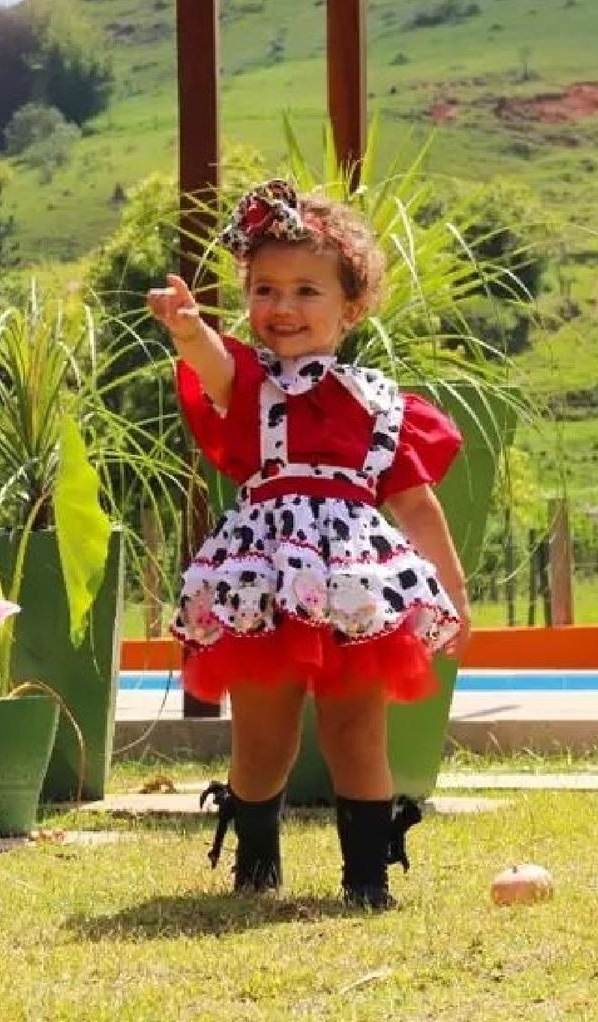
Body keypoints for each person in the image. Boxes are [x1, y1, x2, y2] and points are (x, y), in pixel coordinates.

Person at [147, 178, 470, 910]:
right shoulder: (250, 385)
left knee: (358, 730)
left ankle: (368, 877)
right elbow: (213, 366)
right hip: (263, 587)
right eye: (264, 290)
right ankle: (255, 861)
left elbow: (416, 504)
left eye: (306, 291)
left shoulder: (381, 404)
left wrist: (453, 595)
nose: (282, 308)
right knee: (264, 739)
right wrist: (189, 329)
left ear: (351, 307)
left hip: (356, 592)